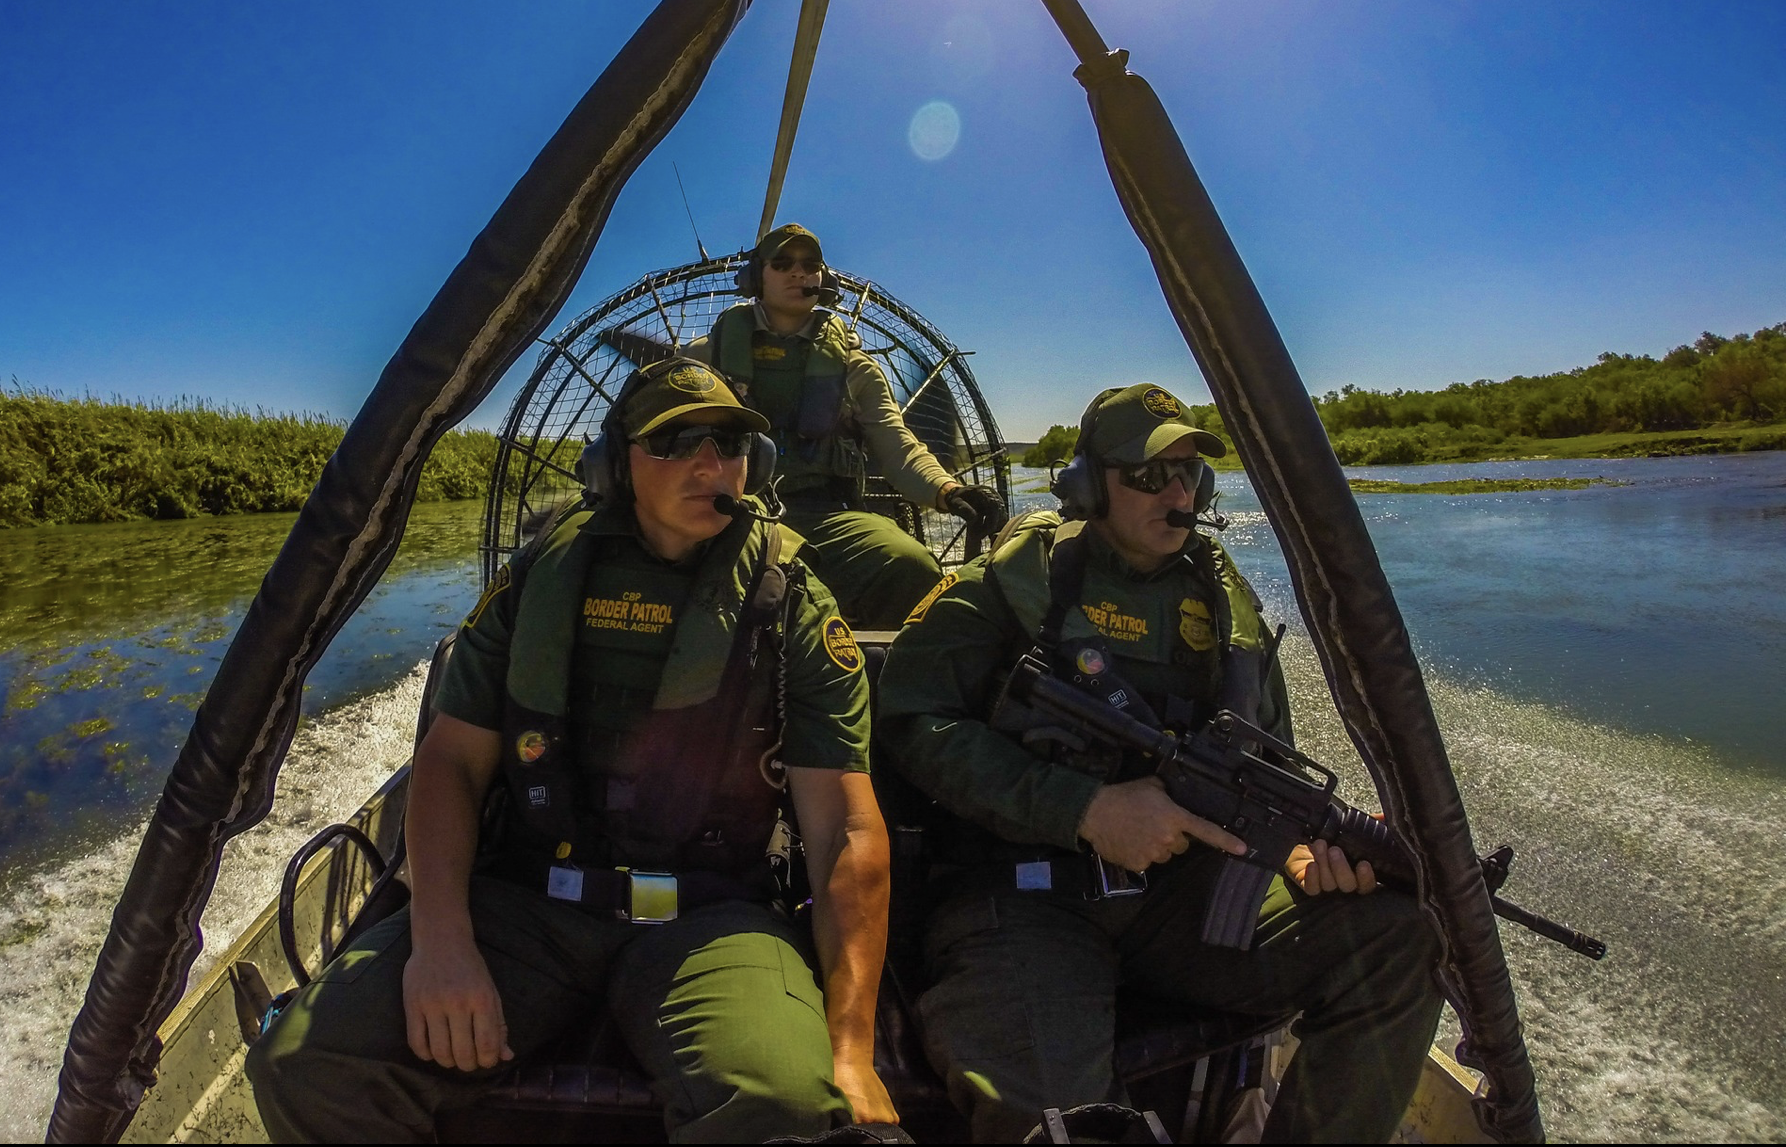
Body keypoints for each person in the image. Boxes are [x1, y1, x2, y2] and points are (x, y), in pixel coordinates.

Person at [246, 358, 898, 1142]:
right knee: (305, 1060)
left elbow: (846, 829)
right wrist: (441, 943)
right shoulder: (538, 579)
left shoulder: (788, 598)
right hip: (529, 903)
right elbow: (450, 763)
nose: (707, 462)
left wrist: (853, 1048)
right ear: (618, 464)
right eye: (674, 441)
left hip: (711, 913)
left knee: (787, 1106)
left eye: (726, 442)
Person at [875, 382, 1443, 1143]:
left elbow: (1272, 762)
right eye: (1148, 474)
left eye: (1190, 474)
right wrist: (1081, 808)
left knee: (1403, 941)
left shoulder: (1222, 603)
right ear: (1087, 484)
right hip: (1025, 896)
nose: (1176, 491)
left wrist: (1305, 851)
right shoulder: (1015, 585)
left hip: (1181, 899)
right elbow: (908, 723)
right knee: (1066, 1124)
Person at [682, 222, 1006, 629]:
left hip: (827, 517)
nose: (799, 273)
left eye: (810, 265)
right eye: (782, 264)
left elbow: (897, 444)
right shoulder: (702, 358)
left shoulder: (855, 367)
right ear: (755, 278)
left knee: (911, 565)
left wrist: (949, 490)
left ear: (824, 280)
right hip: (729, 512)